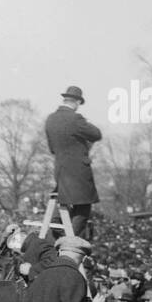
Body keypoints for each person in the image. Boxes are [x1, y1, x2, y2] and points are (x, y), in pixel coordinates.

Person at [45, 85, 102, 238]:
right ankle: (70, 240)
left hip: (60, 170)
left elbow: (52, 149)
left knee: (63, 203)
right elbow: (96, 134)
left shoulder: (50, 119)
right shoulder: (75, 119)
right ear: (76, 102)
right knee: (83, 207)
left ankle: (55, 233)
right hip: (78, 172)